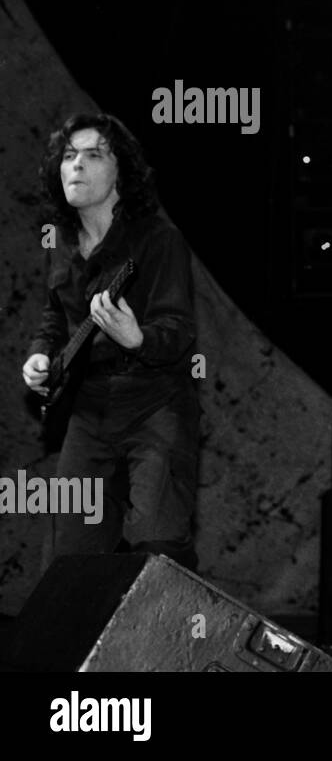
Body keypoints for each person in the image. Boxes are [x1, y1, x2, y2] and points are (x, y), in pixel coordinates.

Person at [22, 113, 201, 570]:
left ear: (121, 171)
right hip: (88, 408)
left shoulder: (159, 240)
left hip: (155, 403)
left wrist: (138, 338)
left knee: (157, 546)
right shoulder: (60, 241)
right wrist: (41, 355)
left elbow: (178, 330)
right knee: (69, 556)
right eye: (68, 155)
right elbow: (55, 316)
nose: (76, 165)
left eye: (93, 155)